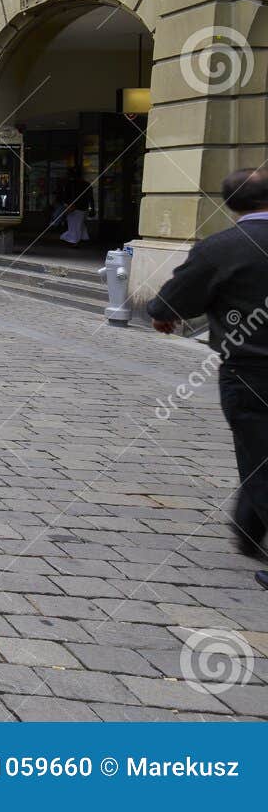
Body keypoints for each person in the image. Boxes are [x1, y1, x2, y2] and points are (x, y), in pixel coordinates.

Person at [148, 167, 268, 585]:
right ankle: (249, 529)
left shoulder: (222, 247)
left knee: (258, 453)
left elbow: (173, 301)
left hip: (251, 369)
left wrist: (165, 316)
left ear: (230, 204)